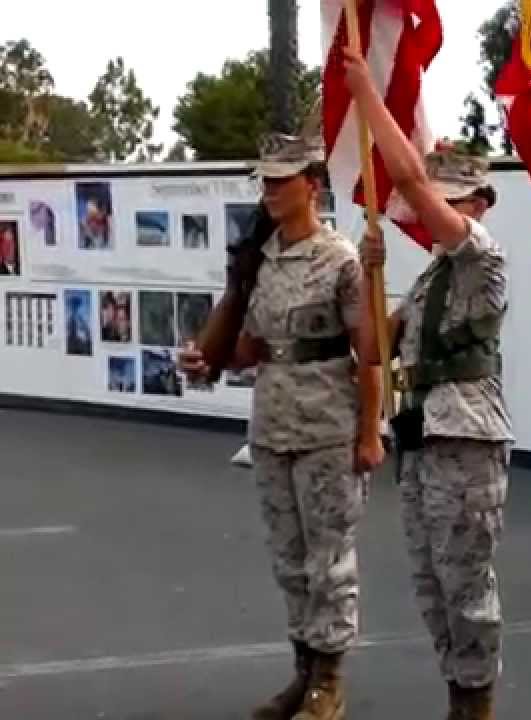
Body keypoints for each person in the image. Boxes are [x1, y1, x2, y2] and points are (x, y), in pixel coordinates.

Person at [178, 129, 385, 720]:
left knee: (329, 563)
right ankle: (303, 672)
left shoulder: (340, 259)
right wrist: (209, 358)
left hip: (328, 428)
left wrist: (370, 433)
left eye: (280, 181)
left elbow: (368, 353)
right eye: (264, 181)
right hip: (271, 427)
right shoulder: (259, 259)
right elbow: (254, 346)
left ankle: (329, 682)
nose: (269, 191)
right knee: (289, 562)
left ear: (311, 186)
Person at [343, 48, 512, 720]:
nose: (436, 206)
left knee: (466, 584)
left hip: (465, 440)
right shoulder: (430, 279)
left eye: (453, 198)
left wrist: (368, 96)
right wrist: (368, 275)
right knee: (432, 584)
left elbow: (410, 182)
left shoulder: (481, 258)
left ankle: (476, 703)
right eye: (440, 196)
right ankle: (459, 697)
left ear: (480, 203)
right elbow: (371, 349)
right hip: (420, 438)